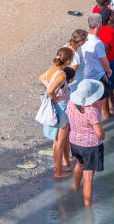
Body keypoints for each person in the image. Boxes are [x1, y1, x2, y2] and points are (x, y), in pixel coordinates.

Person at [67, 79, 106, 207]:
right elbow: (99, 133)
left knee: (80, 163)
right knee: (88, 177)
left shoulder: (70, 104)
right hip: (90, 146)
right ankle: (88, 206)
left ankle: (75, 187)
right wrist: (103, 136)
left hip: (75, 142)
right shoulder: (91, 111)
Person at [39, 47, 74, 178]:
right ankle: (58, 172)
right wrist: (55, 97)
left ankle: (65, 162)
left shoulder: (51, 69)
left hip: (55, 107)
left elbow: (41, 77)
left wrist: (49, 86)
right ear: (69, 60)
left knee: (61, 139)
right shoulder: (62, 74)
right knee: (58, 142)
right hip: (61, 107)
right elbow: (50, 92)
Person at [80, 14, 112, 119]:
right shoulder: (98, 43)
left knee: (91, 102)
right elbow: (104, 61)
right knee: (104, 103)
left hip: (87, 74)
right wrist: (108, 70)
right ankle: (106, 119)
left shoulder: (84, 39)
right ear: (99, 25)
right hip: (99, 75)